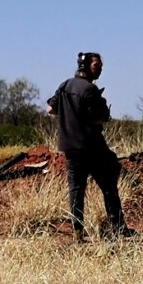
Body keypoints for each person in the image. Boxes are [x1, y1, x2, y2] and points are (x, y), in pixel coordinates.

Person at [49, 51, 131, 240]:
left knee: (76, 189)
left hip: (70, 147)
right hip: (91, 147)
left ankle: (77, 232)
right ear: (86, 67)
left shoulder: (65, 86)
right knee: (109, 186)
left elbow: (51, 108)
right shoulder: (90, 90)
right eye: (97, 66)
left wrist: (70, 115)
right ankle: (118, 228)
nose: (100, 70)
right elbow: (97, 118)